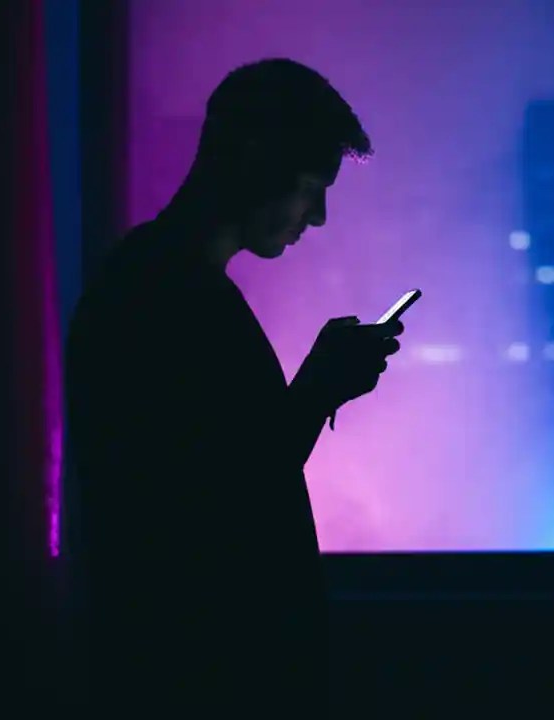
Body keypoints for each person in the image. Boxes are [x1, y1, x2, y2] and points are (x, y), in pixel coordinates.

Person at [64, 58, 401, 716]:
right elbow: (212, 497)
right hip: (198, 674)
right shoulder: (164, 297)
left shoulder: (156, 284)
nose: (320, 215)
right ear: (253, 157)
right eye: (311, 185)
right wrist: (315, 390)